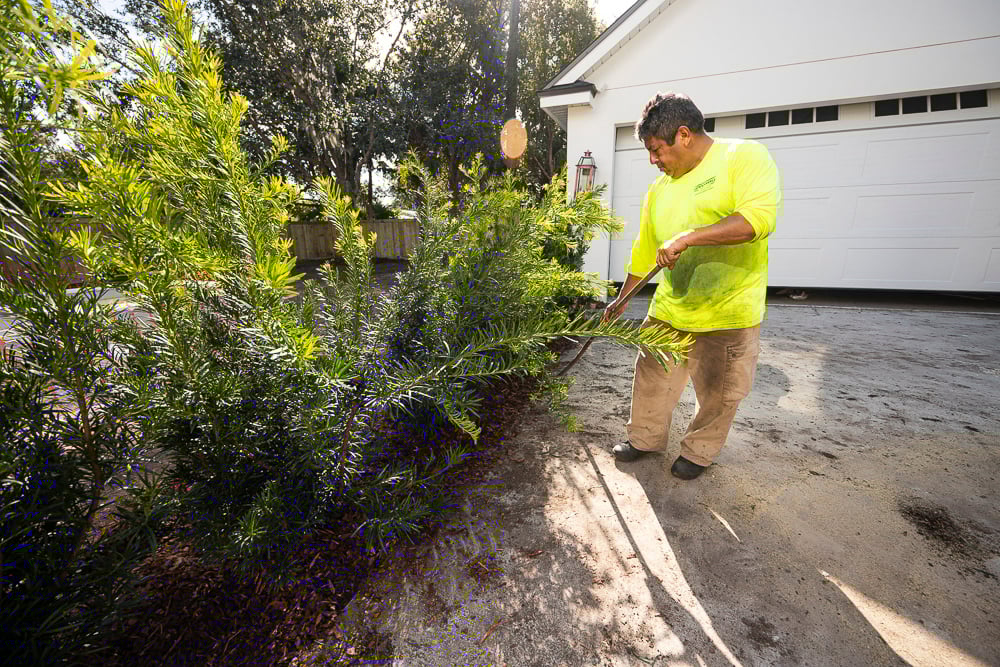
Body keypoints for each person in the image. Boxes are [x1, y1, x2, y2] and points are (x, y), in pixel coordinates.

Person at [603, 91, 781, 480]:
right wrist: (621, 300)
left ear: (683, 135)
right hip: (672, 305)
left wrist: (687, 237)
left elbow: (756, 220)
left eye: (656, 150)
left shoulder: (743, 158)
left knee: (720, 392)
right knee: (651, 376)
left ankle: (699, 451)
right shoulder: (659, 188)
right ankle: (645, 439)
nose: (653, 161)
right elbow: (646, 250)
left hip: (728, 309)